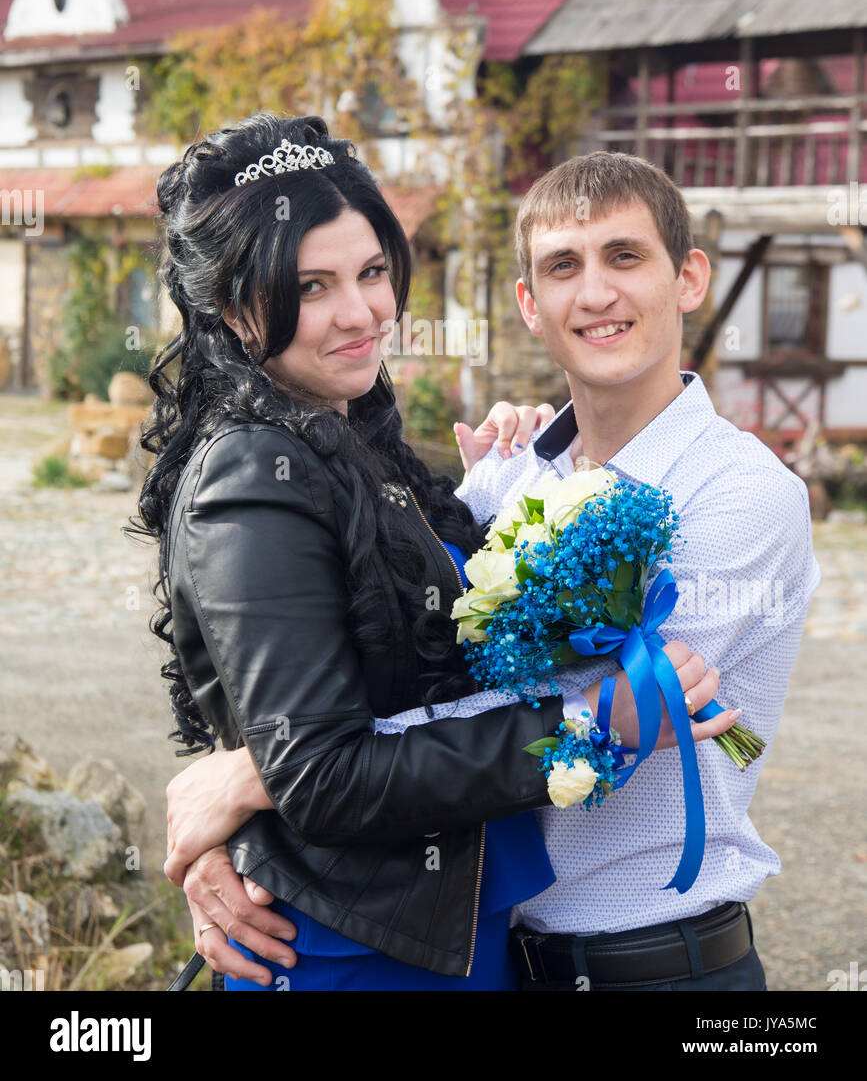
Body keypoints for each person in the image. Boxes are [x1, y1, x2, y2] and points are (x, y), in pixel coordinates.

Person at [168, 146, 820, 992]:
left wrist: (259, 780)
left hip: (652, 962)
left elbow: (605, 709)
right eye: (561, 268)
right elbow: (387, 668)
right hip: (488, 951)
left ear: (687, 278)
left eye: (624, 257)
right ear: (528, 303)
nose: (594, 294)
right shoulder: (503, 476)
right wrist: (275, 793)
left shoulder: (744, 493)